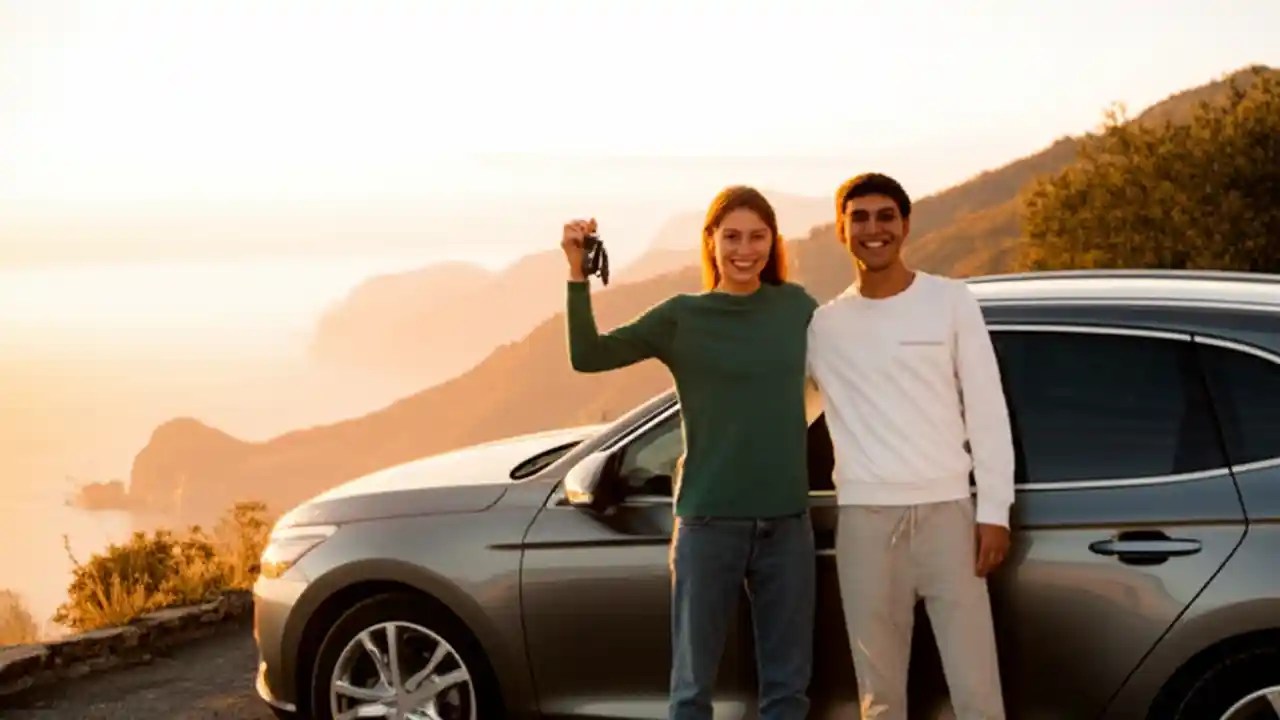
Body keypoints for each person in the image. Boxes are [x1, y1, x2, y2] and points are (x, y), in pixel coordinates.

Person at [561, 185, 819, 720]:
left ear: (773, 241)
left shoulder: (796, 308)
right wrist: (576, 273)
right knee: (692, 691)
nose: (744, 250)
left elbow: (856, 374)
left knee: (787, 693)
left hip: (787, 524)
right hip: (708, 524)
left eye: (757, 237)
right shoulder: (683, 317)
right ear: (711, 241)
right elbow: (588, 355)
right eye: (732, 237)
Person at [805, 172, 1015, 720]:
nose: (873, 229)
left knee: (977, 692)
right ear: (841, 230)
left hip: (950, 517)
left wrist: (994, 510)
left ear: (905, 225)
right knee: (880, 698)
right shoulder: (824, 326)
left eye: (885, 217)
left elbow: (987, 408)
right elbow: (780, 408)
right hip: (866, 524)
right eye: (859, 218)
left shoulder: (950, 301)